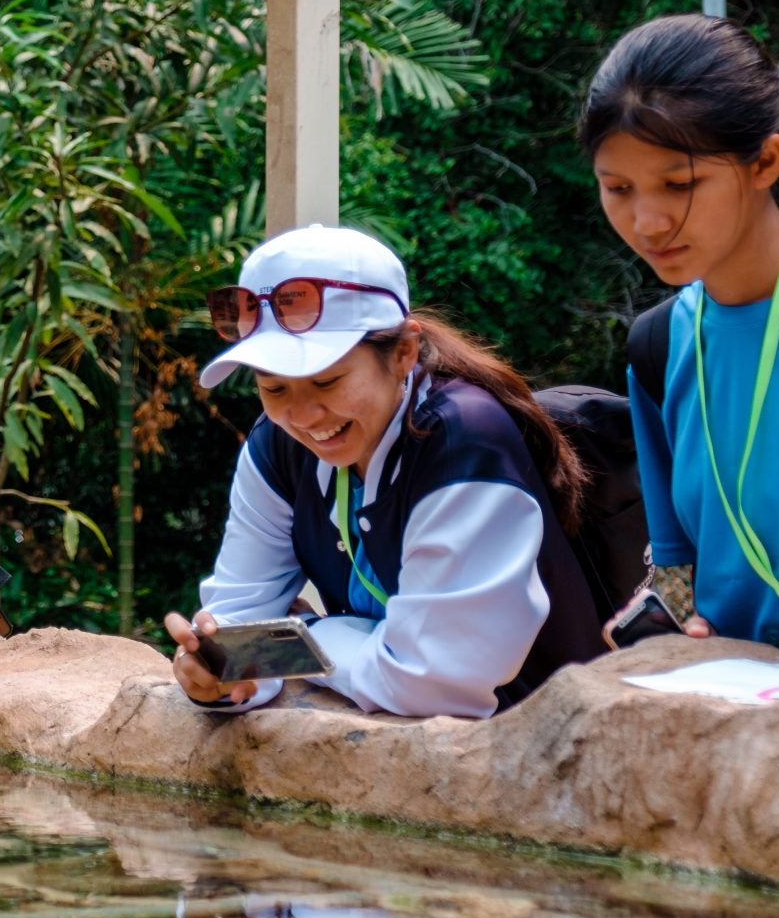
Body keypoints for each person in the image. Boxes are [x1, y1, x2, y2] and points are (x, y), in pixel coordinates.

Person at [162, 225, 603, 718]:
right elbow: (237, 626)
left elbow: (433, 683)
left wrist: (304, 640)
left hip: (540, 745)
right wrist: (216, 674)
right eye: (275, 388)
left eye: (326, 381)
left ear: (403, 354)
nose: (303, 417)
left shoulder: (463, 442)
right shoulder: (276, 445)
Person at [584, 14, 779, 673]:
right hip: (744, 707)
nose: (647, 221)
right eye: (618, 189)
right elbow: (679, 569)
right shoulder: (655, 345)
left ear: (765, 160)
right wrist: (676, 625)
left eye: (680, 185)